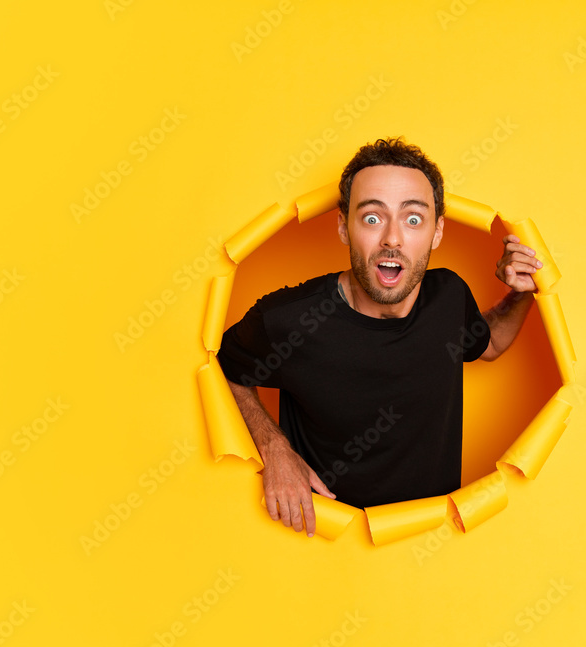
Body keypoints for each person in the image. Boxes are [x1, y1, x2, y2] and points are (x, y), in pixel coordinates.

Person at [218, 137, 542, 536]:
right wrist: (274, 448)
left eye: (413, 219)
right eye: (372, 218)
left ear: (437, 231)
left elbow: (488, 344)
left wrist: (522, 292)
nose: (392, 238)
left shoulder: (448, 297)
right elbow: (225, 370)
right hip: (322, 543)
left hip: (430, 544)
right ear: (343, 226)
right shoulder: (288, 320)